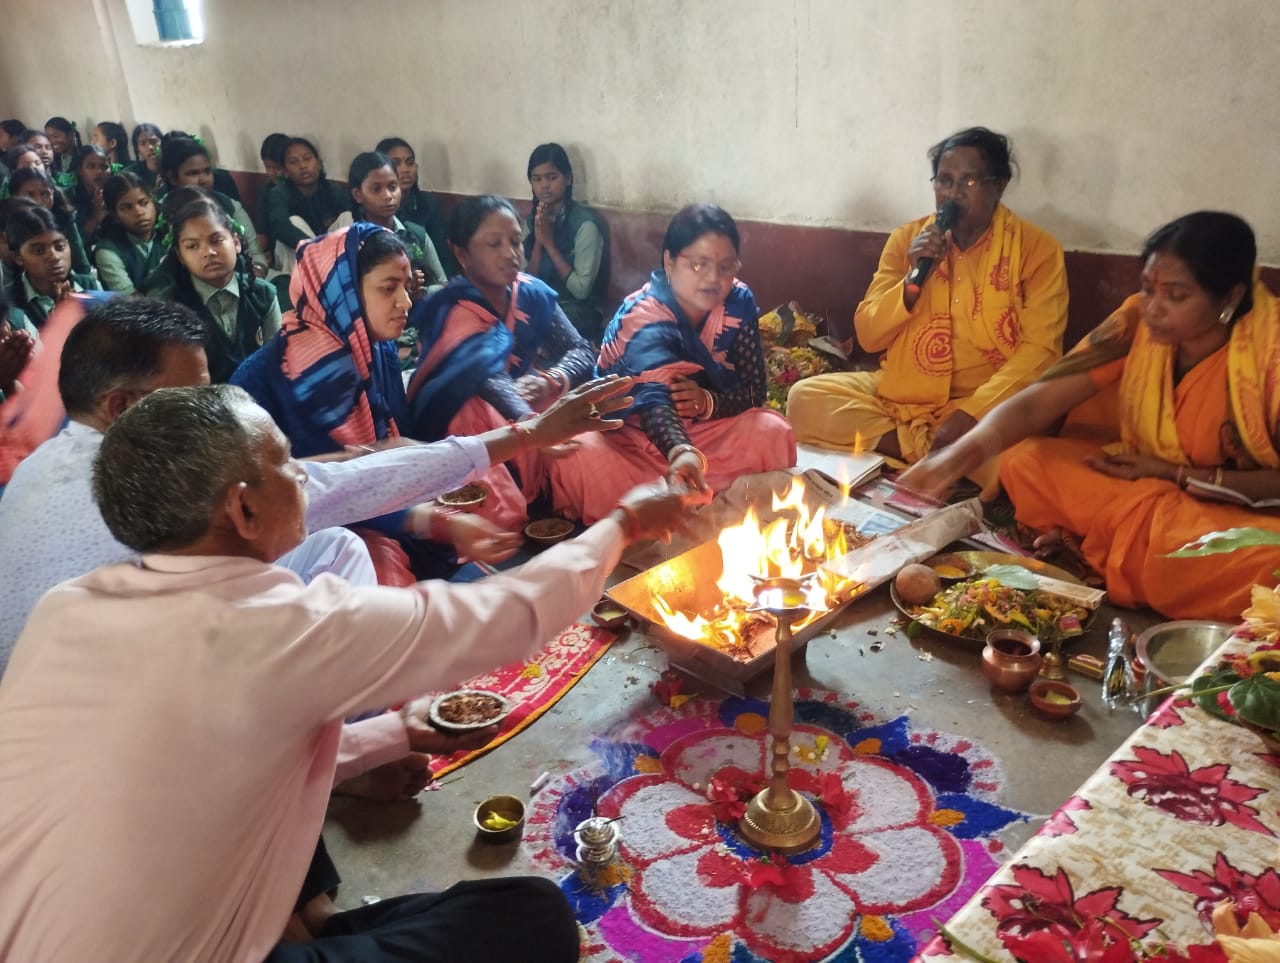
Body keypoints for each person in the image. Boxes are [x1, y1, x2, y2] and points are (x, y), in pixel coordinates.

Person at [0, 377, 696, 961]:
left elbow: (212, 767)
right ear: (242, 508)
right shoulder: (279, 631)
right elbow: (512, 612)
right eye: (285, 461)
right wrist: (625, 524)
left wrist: (390, 733)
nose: (305, 473)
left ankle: (314, 925)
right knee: (532, 915)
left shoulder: (67, 609)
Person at [900, 211, 1280, 622]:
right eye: (1148, 289)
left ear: (1229, 297)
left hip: (1227, 511)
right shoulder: (1135, 321)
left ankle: (1101, 551)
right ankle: (1112, 551)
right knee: (1027, 459)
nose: (1153, 308)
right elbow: (1038, 402)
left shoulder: (1270, 354)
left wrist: (1172, 474)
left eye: (1175, 296)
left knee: (1263, 558)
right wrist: (953, 457)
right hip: (1135, 486)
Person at [786, 127, 1068, 494]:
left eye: (967, 183)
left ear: (998, 185)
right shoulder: (907, 240)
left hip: (985, 402)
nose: (952, 194)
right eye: (944, 182)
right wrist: (911, 278)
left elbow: (1042, 353)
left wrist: (973, 414)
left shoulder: (1037, 250)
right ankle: (938, 457)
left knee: (1024, 457)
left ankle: (950, 453)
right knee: (805, 399)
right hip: (901, 395)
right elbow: (869, 335)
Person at [548, 202, 796, 523]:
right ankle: (690, 497)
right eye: (698, 265)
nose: (713, 278)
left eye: (725, 266)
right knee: (576, 457)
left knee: (772, 430)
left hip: (704, 433)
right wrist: (683, 452)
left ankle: (677, 499)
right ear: (669, 261)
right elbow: (654, 402)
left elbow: (754, 391)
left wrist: (708, 402)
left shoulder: (738, 302)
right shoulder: (643, 314)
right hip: (629, 441)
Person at [405, 195, 597, 528]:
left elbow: (581, 350)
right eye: (494, 244)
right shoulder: (453, 307)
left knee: (576, 410)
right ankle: (492, 518)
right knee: (477, 411)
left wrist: (552, 379)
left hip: (525, 404)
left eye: (515, 241)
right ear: (461, 253)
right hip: (472, 418)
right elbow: (486, 377)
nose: (510, 253)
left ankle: (550, 492)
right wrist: (532, 423)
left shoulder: (532, 293)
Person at [144, 189, 281, 381]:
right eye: (192, 246)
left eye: (217, 240)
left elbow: (276, 361)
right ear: (180, 256)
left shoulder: (262, 294)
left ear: (236, 242)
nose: (208, 252)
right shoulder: (169, 307)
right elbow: (178, 382)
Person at [523, 142, 607, 341]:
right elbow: (527, 283)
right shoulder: (531, 221)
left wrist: (550, 245)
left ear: (567, 178)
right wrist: (538, 242)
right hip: (543, 304)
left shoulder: (585, 225)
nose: (544, 185)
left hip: (578, 311)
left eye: (552, 177)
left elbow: (581, 291)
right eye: (537, 179)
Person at [158, 135, 267, 274]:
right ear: (173, 178)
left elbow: (256, 255)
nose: (203, 180)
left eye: (207, 171)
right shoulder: (160, 214)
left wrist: (254, 277)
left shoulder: (229, 205)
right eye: (193, 173)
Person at [4, 203, 100, 330]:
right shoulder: (9, 303)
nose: (54, 257)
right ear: (19, 258)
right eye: (39, 251)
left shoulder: (89, 285)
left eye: (60, 247)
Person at [376, 135, 456, 277]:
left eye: (410, 162)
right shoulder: (377, 209)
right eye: (396, 163)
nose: (405, 169)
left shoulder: (427, 204)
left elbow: (443, 255)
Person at [265, 136, 348, 270]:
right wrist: (316, 247)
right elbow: (281, 227)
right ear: (285, 171)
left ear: (319, 164)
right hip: (300, 254)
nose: (302, 166)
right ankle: (300, 286)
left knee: (346, 217)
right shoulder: (278, 193)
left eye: (307, 159)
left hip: (330, 255)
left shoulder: (334, 190)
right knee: (294, 222)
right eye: (293, 162)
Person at [6, 167, 93, 276]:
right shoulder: (8, 224)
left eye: (45, 194)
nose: (39, 201)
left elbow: (81, 264)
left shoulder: (64, 217)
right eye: (30, 195)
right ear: (15, 197)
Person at [92, 171, 161, 293]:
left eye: (144, 203)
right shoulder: (108, 251)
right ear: (114, 215)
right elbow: (133, 303)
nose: (139, 213)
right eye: (127, 208)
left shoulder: (169, 233)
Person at [66, 143, 113, 242]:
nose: (99, 171)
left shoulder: (116, 192)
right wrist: (96, 213)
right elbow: (75, 242)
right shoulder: (68, 197)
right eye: (91, 166)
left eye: (104, 167)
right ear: (80, 171)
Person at [126, 121, 162, 189]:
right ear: (138, 150)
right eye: (142, 144)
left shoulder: (173, 165)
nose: (150, 147)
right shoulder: (131, 176)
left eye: (154, 141)